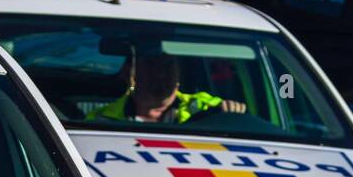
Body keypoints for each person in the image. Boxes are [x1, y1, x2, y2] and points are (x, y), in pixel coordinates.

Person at [87, 51, 247, 125]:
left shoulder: (207, 107)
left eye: (168, 65)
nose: (161, 73)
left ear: (179, 74)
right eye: (151, 64)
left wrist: (233, 115)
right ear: (130, 72)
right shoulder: (101, 120)